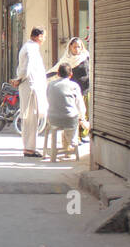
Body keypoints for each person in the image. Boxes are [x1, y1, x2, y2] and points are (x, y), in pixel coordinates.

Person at [10, 26, 48, 158]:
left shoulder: (28, 47)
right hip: (31, 87)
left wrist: (19, 79)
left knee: (30, 118)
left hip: (29, 86)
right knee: (31, 118)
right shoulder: (31, 48)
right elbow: (27, 68)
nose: (44, 39)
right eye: (44, 36)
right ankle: (29, 149)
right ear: (39, 36)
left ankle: (29, 148)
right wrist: (19, 79)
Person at [45, 63, 86, 156]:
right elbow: (80, 104)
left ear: (58, 74)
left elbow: (48, 99)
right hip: (70, 120)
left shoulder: (50, 84)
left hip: (53, 119)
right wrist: (82, 118)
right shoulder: (74, 86)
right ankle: (71, 146)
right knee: (71, 121)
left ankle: (65, 147)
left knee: (63, 123)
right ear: (71, 74)